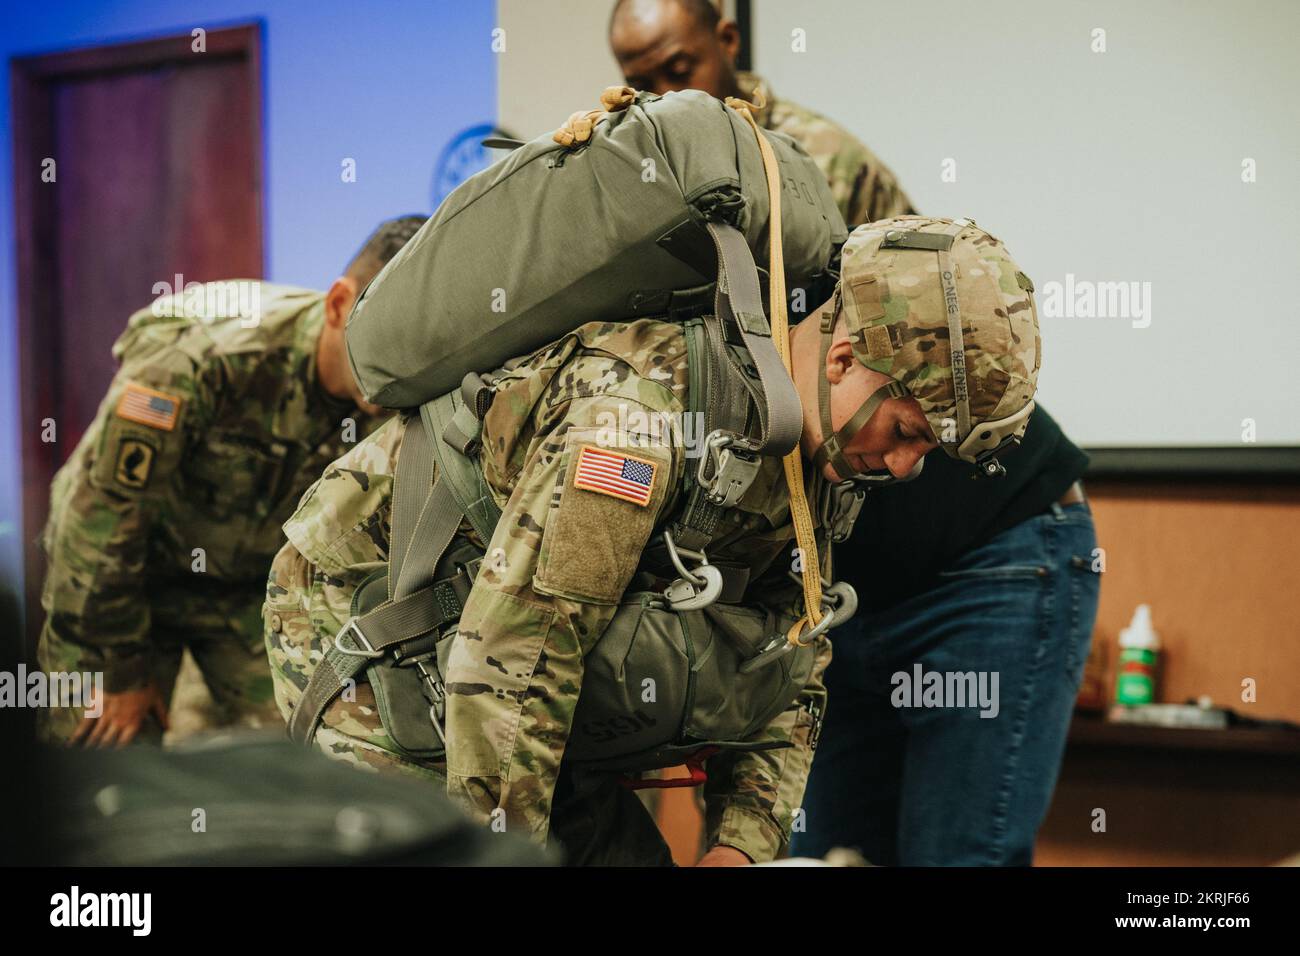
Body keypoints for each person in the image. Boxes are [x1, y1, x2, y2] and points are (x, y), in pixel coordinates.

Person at [265, 215, 1042, 866]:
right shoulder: (637, 421)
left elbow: (791, 669)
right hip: (371, 621)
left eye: (929, 451)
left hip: (507, 652)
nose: (906, 466)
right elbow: (513, 663)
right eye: (907, 432)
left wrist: (738, 848)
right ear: (843, 357)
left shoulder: (821, 460)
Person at [610, 0, 1099, 866]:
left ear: (726, 41)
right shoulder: (634, 175)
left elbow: (937, 338)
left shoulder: (801, 161)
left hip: (985, 553)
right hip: (841, 576)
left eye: (674, 68)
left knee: (956, 855)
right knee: (830, 856)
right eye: (635, 77)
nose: (654, 91)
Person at [37, 215, 426, 748]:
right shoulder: (204, 354)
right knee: (100, 764)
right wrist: (116, 671)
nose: (403, 367)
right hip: (122, 574)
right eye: (389, 340)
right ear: (339, 305)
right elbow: (99, 517)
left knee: (315, 746)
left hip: (246, 590)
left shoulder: (403, 394)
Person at [609, 0, 914, 226]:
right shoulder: (639, 170)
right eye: (641, 85)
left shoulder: (830, 158)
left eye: (680, 70)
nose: (665, 98)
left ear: (728, 40)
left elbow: (916, 282)